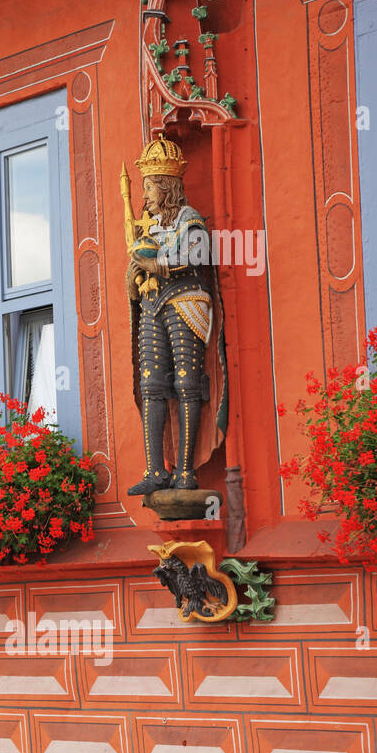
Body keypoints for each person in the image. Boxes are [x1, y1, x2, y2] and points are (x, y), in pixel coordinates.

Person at [126, 134, 224, 495]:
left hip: (185, 300)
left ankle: (185, 472)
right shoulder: (148, 225)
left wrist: (153, 262)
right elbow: (135, 271)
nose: (146, 195)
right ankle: (155, 471)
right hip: (153, 303)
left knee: (186, 383)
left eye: (150, 187)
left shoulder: (189, 219)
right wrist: (135, 276)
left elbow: (196, 256)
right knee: (152, 384)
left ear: (166, 186)